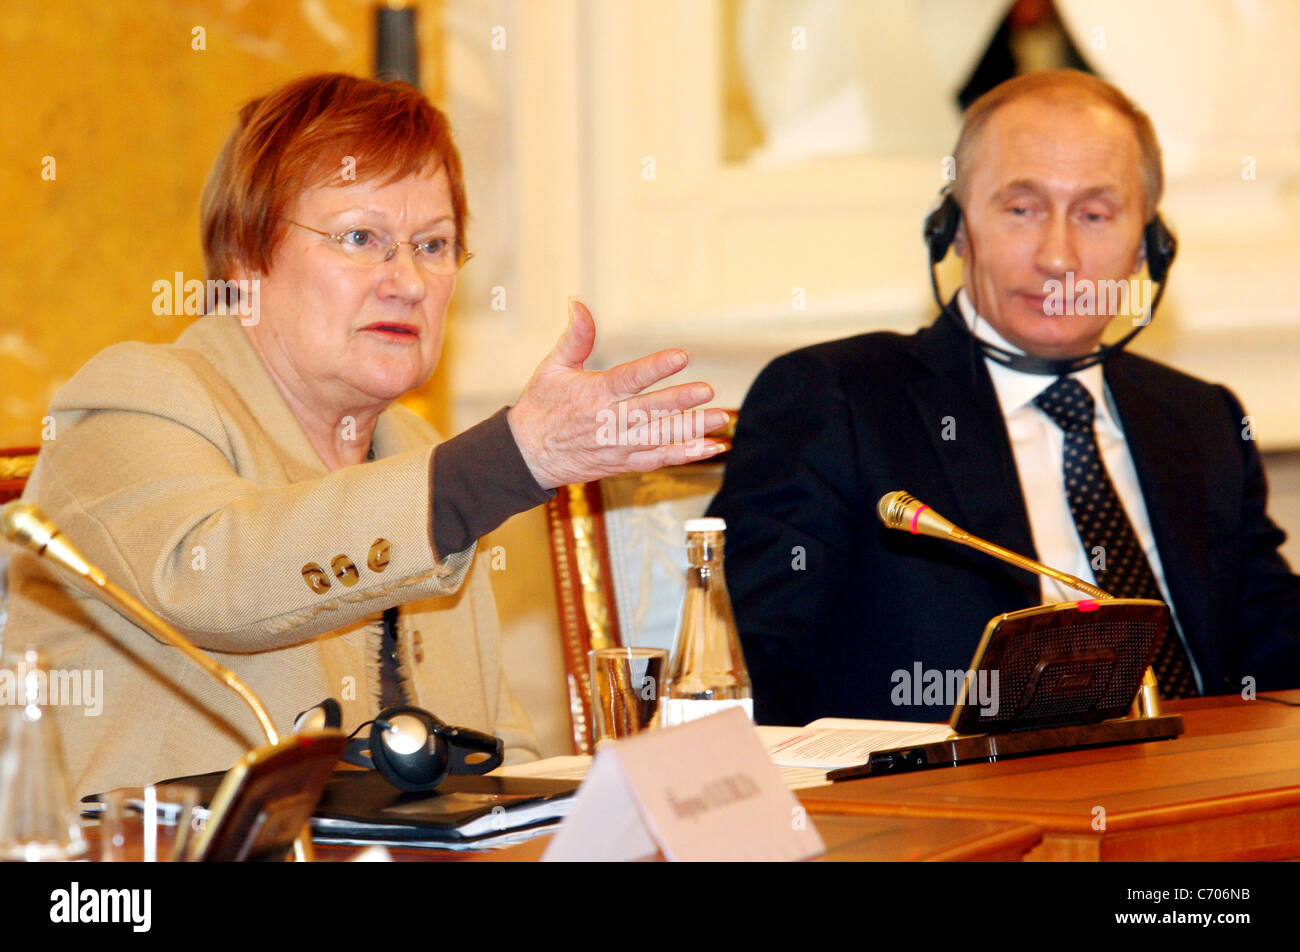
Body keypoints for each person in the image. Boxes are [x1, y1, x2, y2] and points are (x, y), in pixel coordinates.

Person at [2, 73, 727, 797]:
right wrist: (513, 459)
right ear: (246, 258)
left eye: (434, 245)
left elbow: (500, 754)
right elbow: (215, 577)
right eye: (360, 238)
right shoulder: (135, 399)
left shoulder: (414, 450)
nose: (407, 281)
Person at [708, 70, 1300, 726]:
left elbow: (1277, 651)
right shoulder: (838, 400)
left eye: (1095, 215)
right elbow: (748, 672)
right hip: (963, 812)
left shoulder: (1200, 420)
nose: (1058, 256)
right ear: (954, 230)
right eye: (1022, 209)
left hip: (1200, 800)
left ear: (1150, 249)